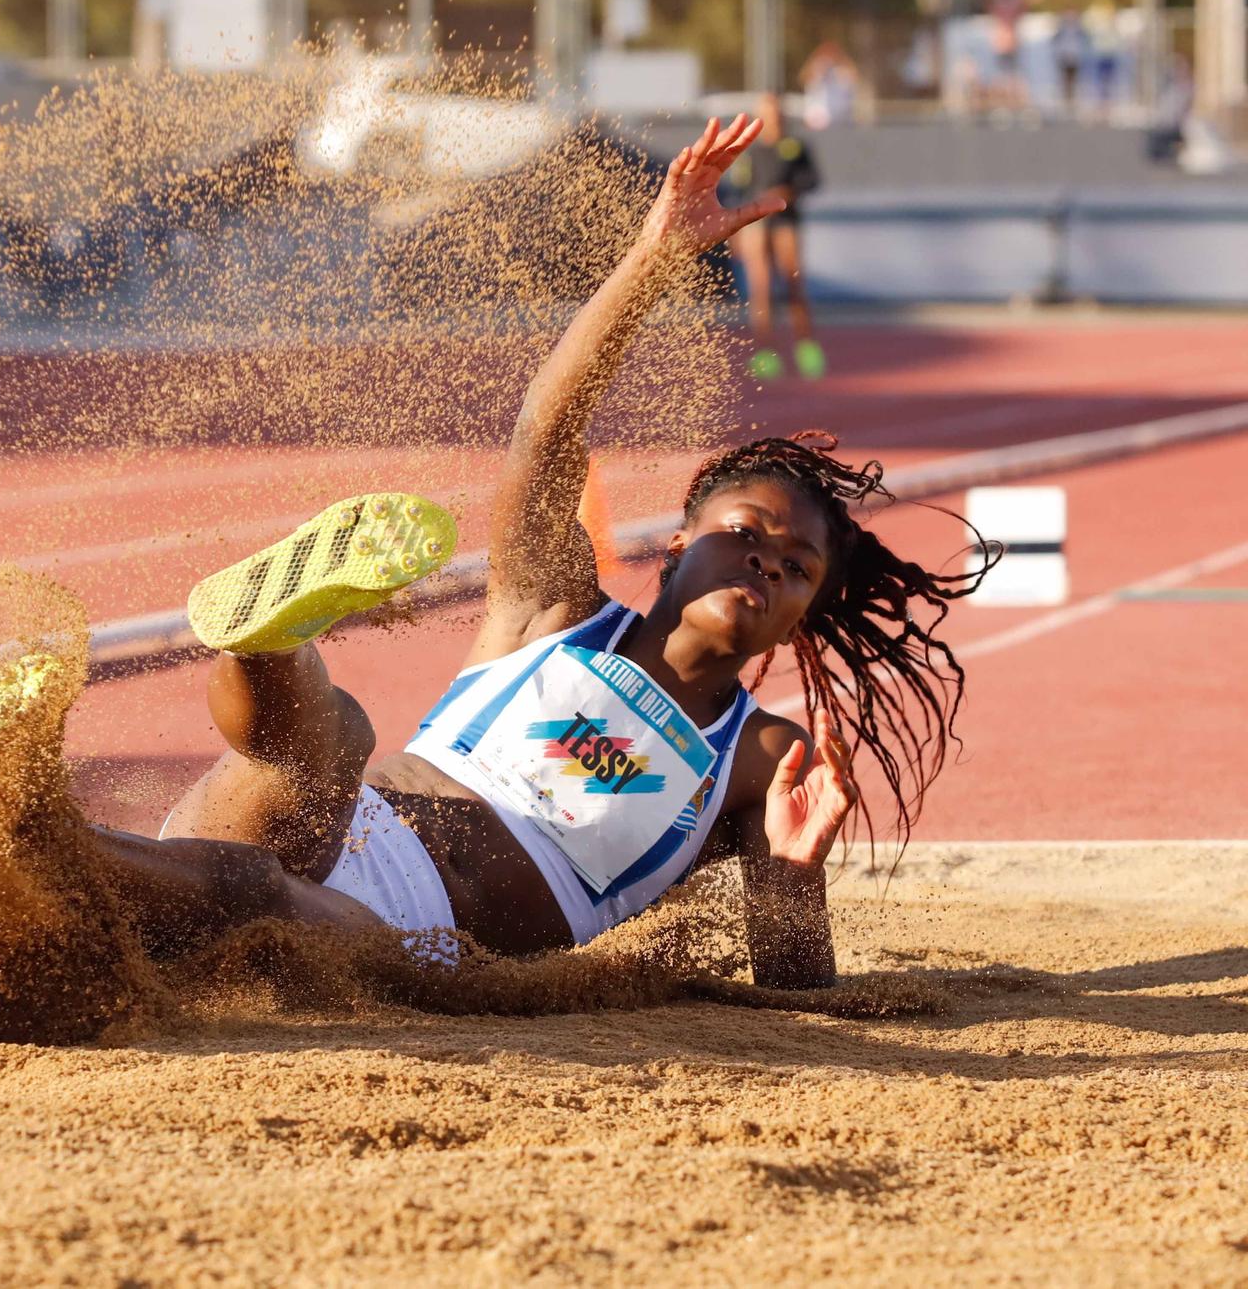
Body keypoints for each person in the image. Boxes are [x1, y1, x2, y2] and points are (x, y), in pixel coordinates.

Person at [63, 115, 986, 990]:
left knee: (249, 895)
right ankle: (263, 642)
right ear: (677, 543)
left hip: (417, 939)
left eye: (797, 570)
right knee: (329, 738)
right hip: (348, 822)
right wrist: (655, 258)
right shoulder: (556, 612)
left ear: (805, 616)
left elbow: (793, 984)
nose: (767, 565)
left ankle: (38, 836)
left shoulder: (758, 755)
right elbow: (547, 428)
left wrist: (794, 870)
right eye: (746, 534)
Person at [726, 94, 824, 382]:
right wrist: (736, 231)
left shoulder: (795, 148)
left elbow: (812, 181)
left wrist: (787, 192)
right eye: (766, 112)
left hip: (786, 222)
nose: (773, 117)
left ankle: (806, 348)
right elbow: (740, 189)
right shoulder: (753, 152)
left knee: (794, 283)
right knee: (761, 287)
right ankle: (766, 354)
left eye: (776, 111)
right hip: (756, 224)